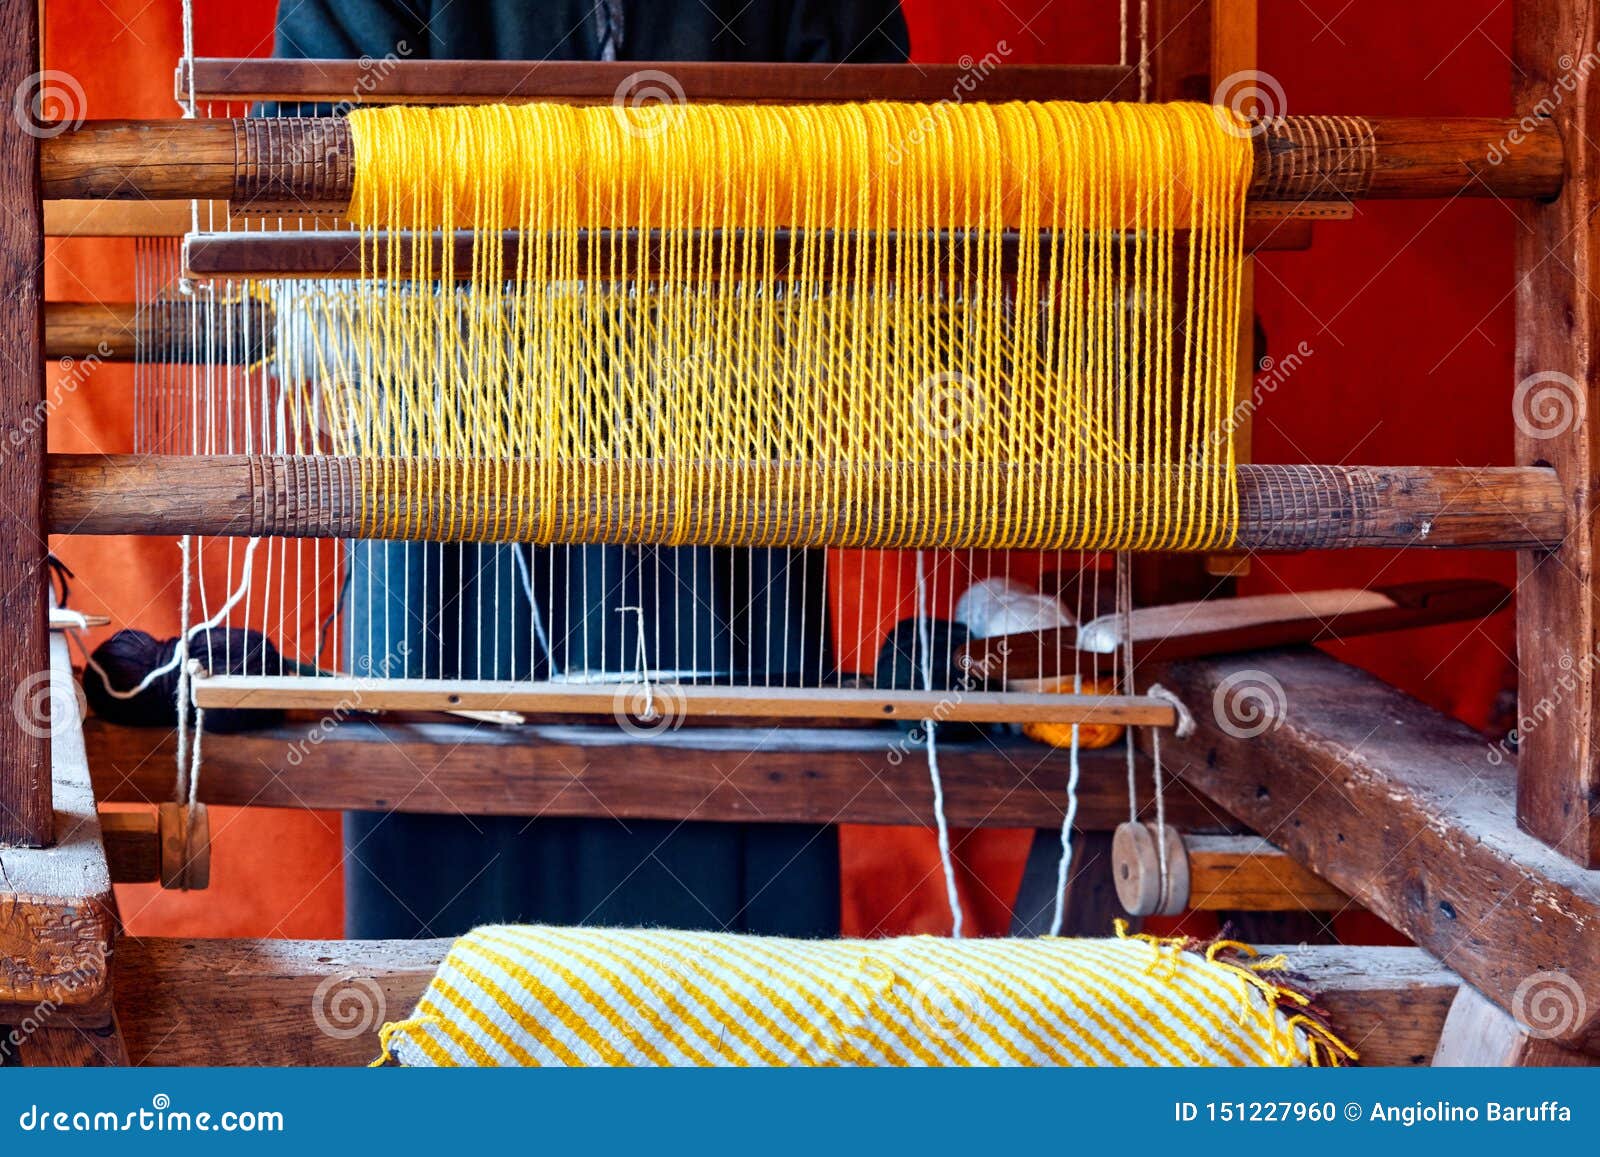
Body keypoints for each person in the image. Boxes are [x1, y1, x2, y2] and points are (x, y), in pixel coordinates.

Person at [271, 0, 912, 939]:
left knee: (729, 957)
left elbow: (887, 153)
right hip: (458, 470)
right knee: (451, 932)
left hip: (719, 462)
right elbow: (315, 149)